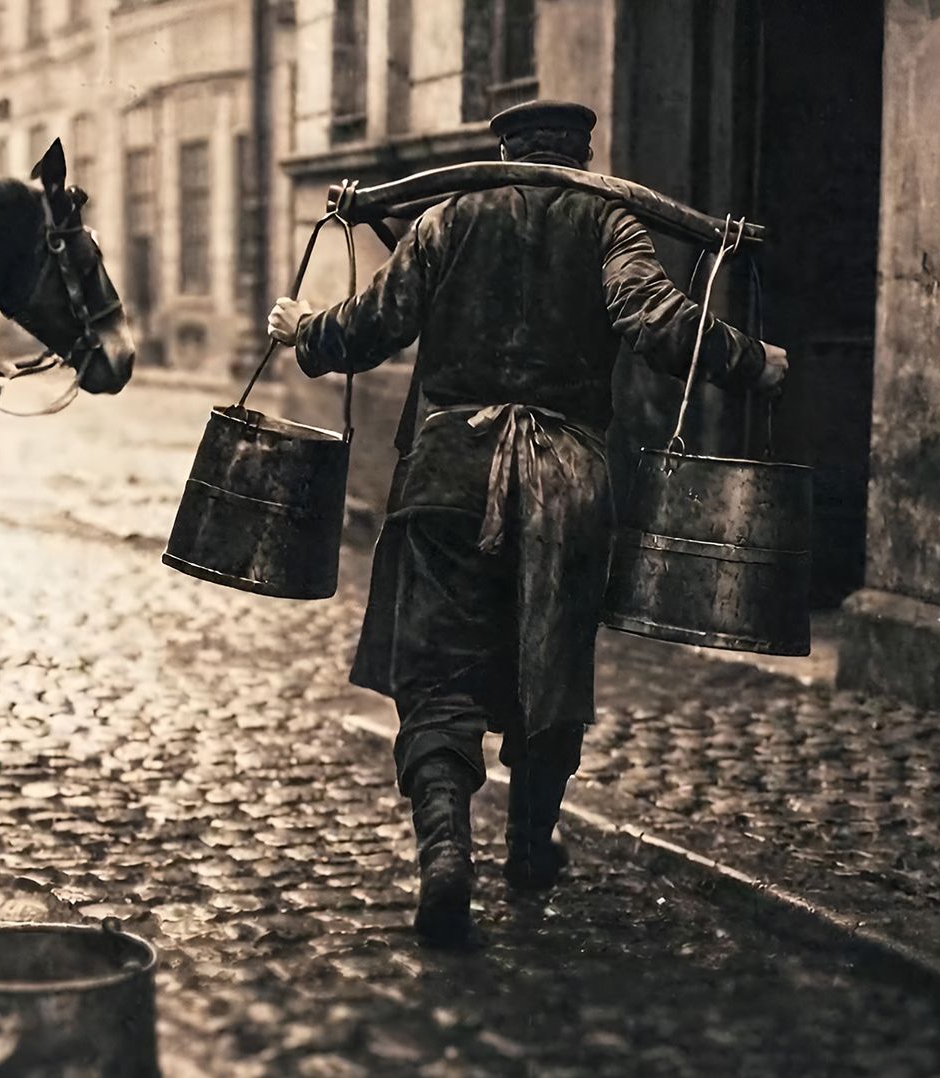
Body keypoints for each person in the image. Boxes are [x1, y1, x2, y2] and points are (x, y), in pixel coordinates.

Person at [266, 100, 787, 947]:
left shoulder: (449, 215)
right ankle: (530, 845)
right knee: (552, 671)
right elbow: (653, 318)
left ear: (501, 152)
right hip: (569, 486)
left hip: (448, 474)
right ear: (583, 157)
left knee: (436, 675)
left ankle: (444, 852)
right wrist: (751, 361)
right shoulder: (609, 222)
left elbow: (370, 327)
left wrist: (304, 331)